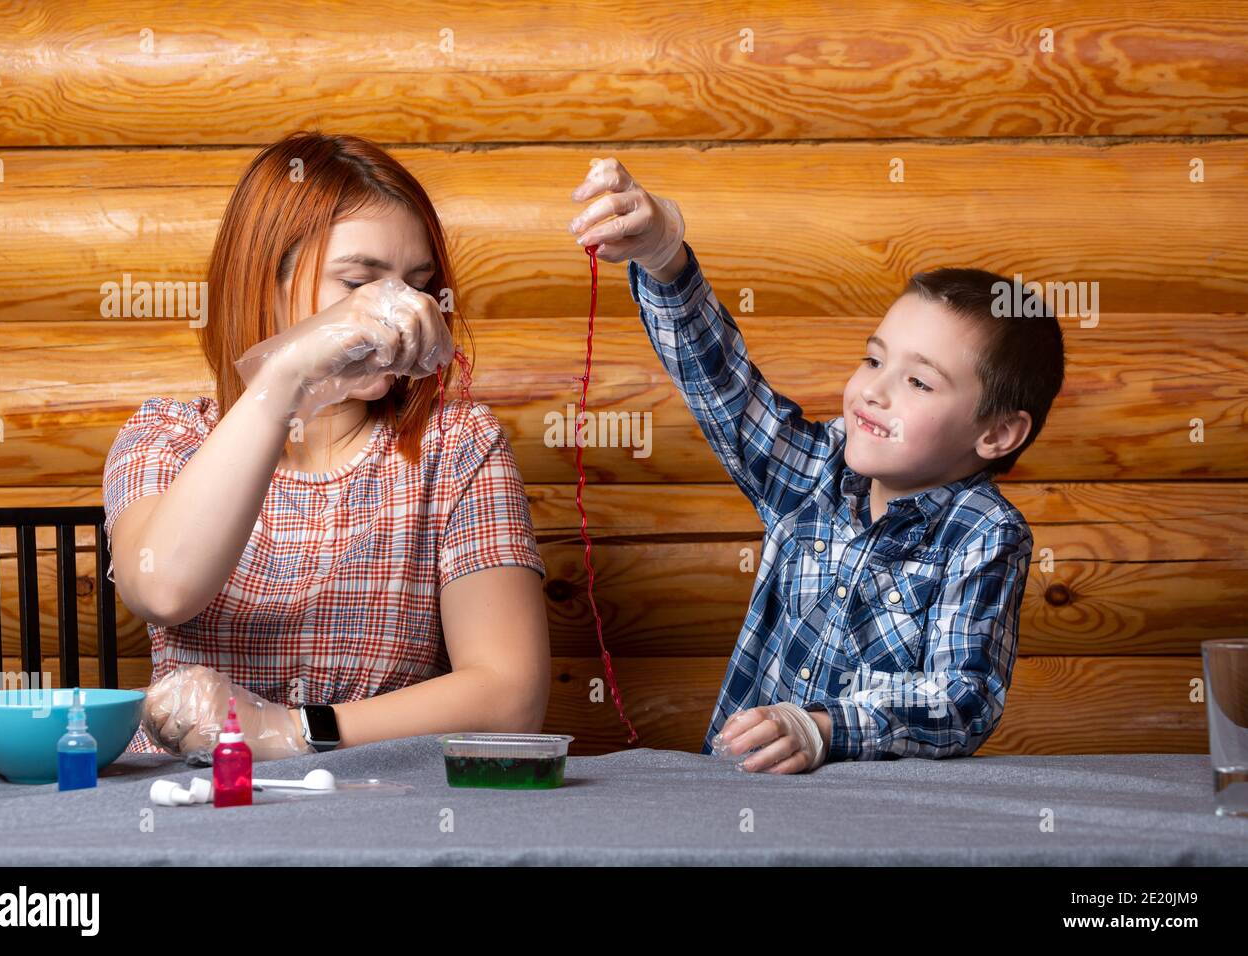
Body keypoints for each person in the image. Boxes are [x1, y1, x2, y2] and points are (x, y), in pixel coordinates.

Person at [568, 158, 1064, 773]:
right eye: (872, 360)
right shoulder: (817, 473)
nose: (873, 392)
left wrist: (823, 727)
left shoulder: (984, 534)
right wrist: (666, 258)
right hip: (737, 792)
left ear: (996, 433)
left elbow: (961, 697)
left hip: (867, 824)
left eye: (918, 381)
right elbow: (725, 389)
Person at [103, 132, 550, 762]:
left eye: (416, 285)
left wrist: (293, 731)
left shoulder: (459, 446)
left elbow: (511, 697)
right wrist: (284, 378)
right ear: (267, 282)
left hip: (382, 799)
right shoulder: (167, 437)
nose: (397, 315)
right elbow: (163, 590)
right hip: (192, 805)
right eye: (359, 283)